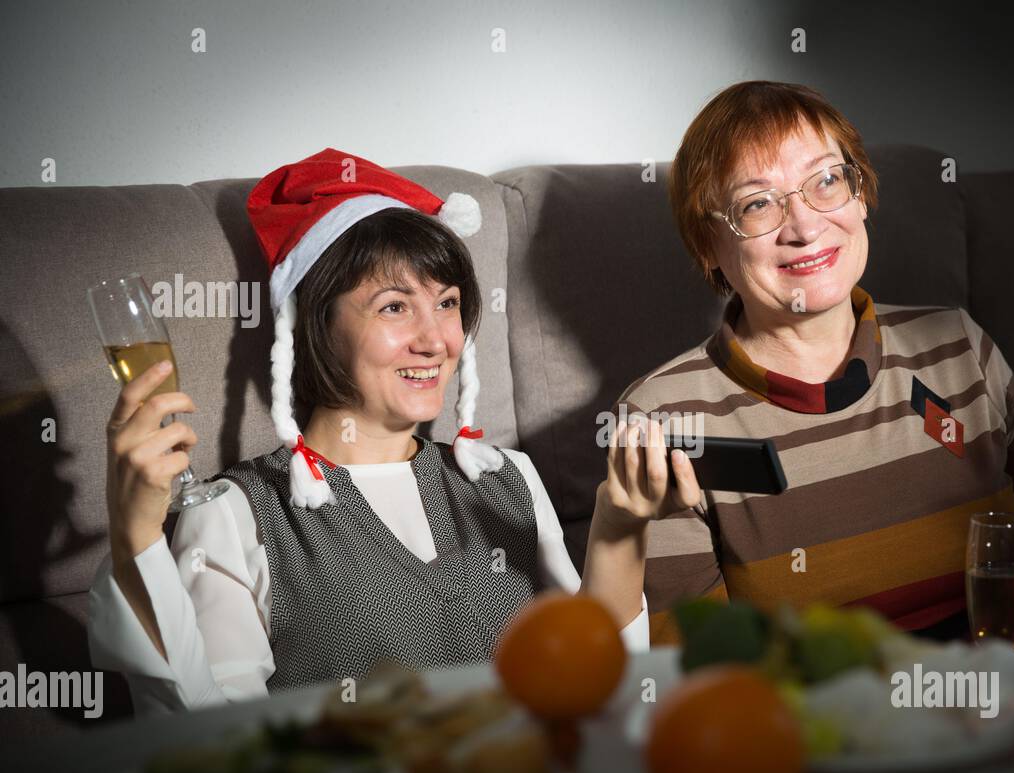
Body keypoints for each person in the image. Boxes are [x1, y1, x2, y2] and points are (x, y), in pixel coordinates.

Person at [88, 148, 699, 714]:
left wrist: (619, 528)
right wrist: (136, 537)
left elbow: (605, 692)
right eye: (393, 306)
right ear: (318, 327)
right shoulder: (235, 513)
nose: (435, 340)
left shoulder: (509, 477)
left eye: (449, 302)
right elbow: (213, 744)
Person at [619, 81, 1014, 646]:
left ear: (861, 193)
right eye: (757, 204)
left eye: (826, 180)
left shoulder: (958, 345)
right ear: (709, 246)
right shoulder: (663, 417)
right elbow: (697, 672)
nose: (804, 227)